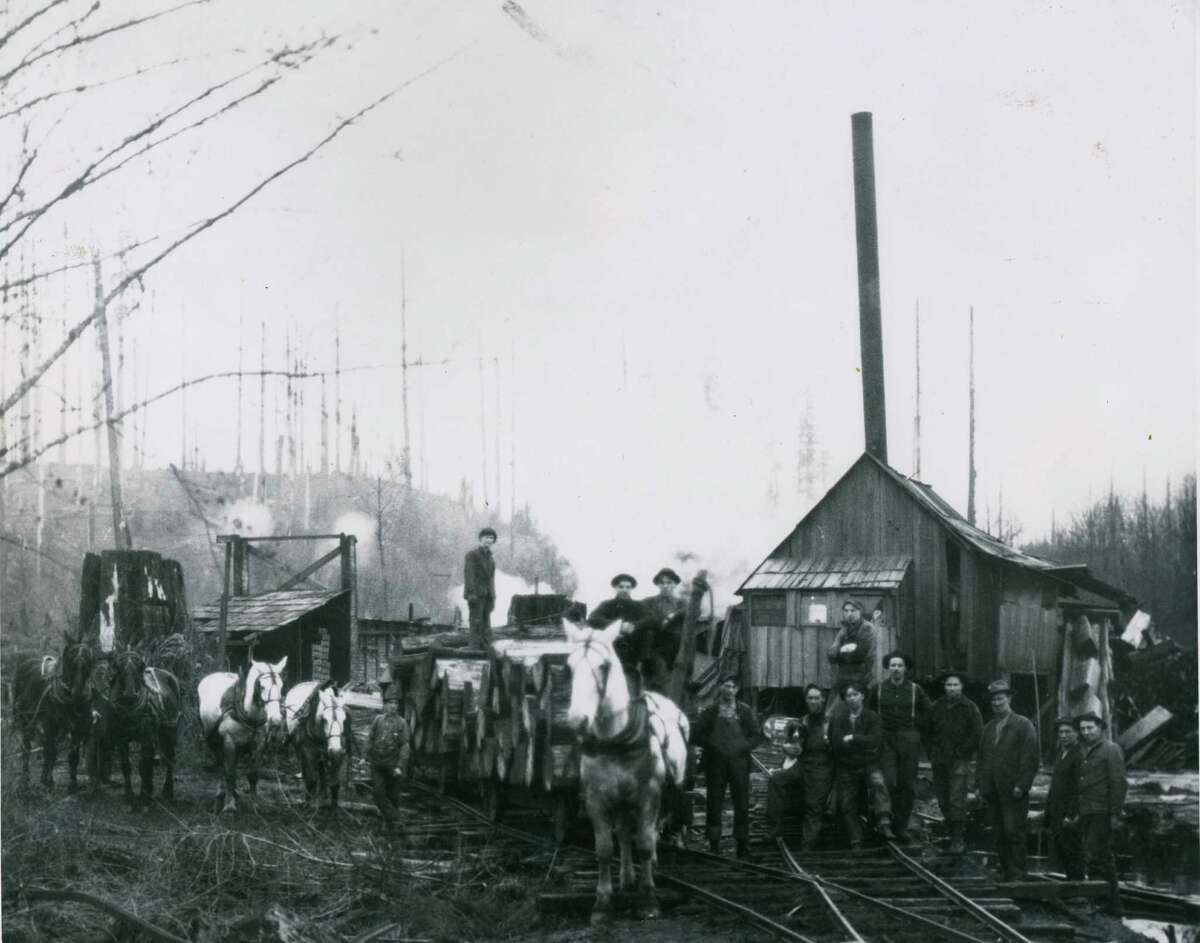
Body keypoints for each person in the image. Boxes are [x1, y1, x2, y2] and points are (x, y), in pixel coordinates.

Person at [694, 673, 763, 859]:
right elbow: (696, 735)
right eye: (726, 686)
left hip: (739, 763)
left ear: (737, 690)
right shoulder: (710, 711)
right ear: (720, 688)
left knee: (741, 802)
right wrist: (711, 745)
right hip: (715, 763)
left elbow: (757, 735)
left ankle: (742, 844)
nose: (729, 690)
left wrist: (743, 747)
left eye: (733, 687)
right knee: (714, 802)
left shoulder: (745, 711)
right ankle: (714, 844)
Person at [977, 679, 1039, 881]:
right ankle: (1006, 870)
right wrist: (980, 785)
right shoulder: (988, 728)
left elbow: (1030, 759)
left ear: (1009, 699)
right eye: (993, 700)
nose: (997, 703)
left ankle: (1018, 874)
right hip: (992, 790)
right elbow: (982, 759)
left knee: (1014, 832)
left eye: (1000, 699)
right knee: (998, 833)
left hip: (1013, 790)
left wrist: (1022, 785)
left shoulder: (1023, 725)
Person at [867, 651, 931, 843]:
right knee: (889, 780)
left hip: (908, 739)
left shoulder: (915, 689)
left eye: (900, 665)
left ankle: (900, 827)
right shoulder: (878, 689)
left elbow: (928, 711)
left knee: (907, 784)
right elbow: (869, 713)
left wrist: (916, 727)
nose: (896, 669)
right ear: (887, 668)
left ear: (905, 669)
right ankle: (884, 821)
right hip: (885, 738)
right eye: (892, 665)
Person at [767, 683, 834, 849]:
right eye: (810, 698)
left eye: (816, 698)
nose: (813, 701)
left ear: (823, 700)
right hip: (803, 764)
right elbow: (792, 747)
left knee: (813, 807)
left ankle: (807, 847)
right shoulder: (802, 721)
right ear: (806, 700)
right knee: (777, 779)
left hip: (822, 768)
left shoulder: (830, 722)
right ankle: (775, 828)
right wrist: (787, 748)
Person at [829, 679, 894, 848]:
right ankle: (855, 839)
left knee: (879, 784)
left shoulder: (872, 717)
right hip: (847, 766)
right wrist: (861, 744)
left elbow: (875, 740)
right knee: (847, 803)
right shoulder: (839, 719)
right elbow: (835, 743)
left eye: (855, 695)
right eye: (848, 696)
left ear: (862, 696)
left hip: (869, 763)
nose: (851, 698)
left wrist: (853, 738)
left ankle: (884, 823)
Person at [1076, 712, 1127, 916]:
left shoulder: (1111, 749)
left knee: (1097, 855)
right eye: (1083, 729)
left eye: (1090, 728)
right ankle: (1108, 902)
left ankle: (1105, 902)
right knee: (1100, 855)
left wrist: (1114, 813)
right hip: (1086, 810)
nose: (1086, 732)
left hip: (1101, 811)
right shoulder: (1085, 750)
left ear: (1100, 728)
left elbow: (1119, 782)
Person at [926, 671, 982, 855]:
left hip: (959, 760)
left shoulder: (970, 708)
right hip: (939, 760)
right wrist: (932, 752)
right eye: (949, 685)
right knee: (942, 799)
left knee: (956, 799)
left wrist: (961, 752)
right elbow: (928, 732)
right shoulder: (936, 707)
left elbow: (976, 734)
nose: (952, 688)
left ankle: (958, 839)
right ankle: (951, 833)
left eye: (955, 685)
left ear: (962, 687)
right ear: (944, 687)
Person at [587, 574, 658, 691]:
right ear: (615, 587)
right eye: (621, 587)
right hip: (610, 650)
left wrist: (634, 625)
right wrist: (617, 626)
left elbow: (653, 620)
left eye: (628, 587)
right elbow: (593, 618)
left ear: (631, 589)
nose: (624, 590)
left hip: (633, 653)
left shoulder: (638, 605)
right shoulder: (607, 605)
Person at [366, 683, 411, 833]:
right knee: (378, 794)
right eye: (390, 703)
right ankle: (397, 819)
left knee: (393, 797)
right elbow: (370, 738)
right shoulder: (378, 720)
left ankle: (390, 827)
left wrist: (400, 766)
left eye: (396, 703)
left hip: (393, 767)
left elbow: (405, 746)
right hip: (377, 764)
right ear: (385, 705)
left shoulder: (402, 723)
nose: (393, 706)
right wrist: (365, 756)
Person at [1045, 717, 1084, 880]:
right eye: (1061, 732)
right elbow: (1055, 786)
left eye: (1068, 732)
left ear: (1076, 733)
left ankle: (1077, 885)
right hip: (1056, 810)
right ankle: (1071, 884)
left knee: (1072, 850)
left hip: (1069, 813)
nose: (1063, 735)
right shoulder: (1061, 753)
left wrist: (1071, 814)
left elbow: (1078, 788)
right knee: (1062, 848)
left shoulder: (1078, 755)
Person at [640, 567, 688, 693]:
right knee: (657, 682)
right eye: (662, 583)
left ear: (675, 584)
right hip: (655, 647)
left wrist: (673, 616)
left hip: (675, 649)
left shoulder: (681, 603)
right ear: (657, 584)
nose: (665, 586)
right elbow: (638, 613)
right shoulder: (649, 602)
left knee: (677, 682)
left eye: (669, 583)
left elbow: (693, 611)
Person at [827, 601, 877, 717]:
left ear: (860, 612)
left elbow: (864, 654)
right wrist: (844, 651)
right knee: (832, 713)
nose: (849, 614)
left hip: (861, 676)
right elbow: (832, 655)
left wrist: (843, 653)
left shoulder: (868, 629)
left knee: (859, 712)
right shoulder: (844, 630)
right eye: (846, 611)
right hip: (843, 676)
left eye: (853, 610)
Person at [464, 528, 498, 649]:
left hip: (488, 596)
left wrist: (493, 596)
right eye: (487, 537)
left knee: (486, 624)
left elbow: (491, 579)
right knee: (476, 622)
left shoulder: (490, 557)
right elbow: (470, 575)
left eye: (492, 538)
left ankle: (485, 648)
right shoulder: (472, 554)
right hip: (476, 595)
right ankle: (474, 648)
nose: (489, 540)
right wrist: (471, 594)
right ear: (480, 538)